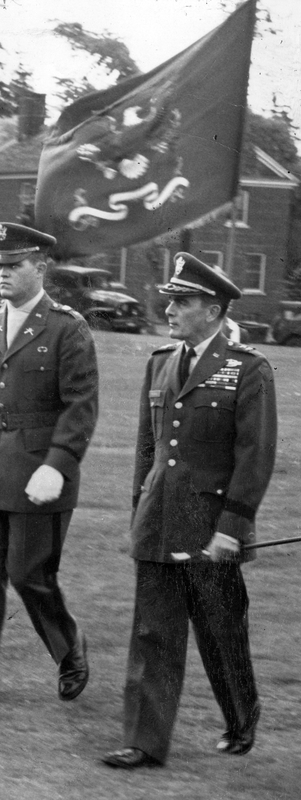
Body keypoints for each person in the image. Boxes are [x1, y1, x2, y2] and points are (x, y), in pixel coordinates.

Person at [102, 252, 277, 769]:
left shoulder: (248, 369)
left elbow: (255, 455)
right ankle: (144, 741)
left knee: (220, 632)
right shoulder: (160, 361)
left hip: (210, 526)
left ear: (215, 309)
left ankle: (241, 715)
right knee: (153, 632)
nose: (170, 308)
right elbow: (146, 448)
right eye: (171, 299)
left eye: (183, 301)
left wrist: (233, 527)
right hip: (159, 520)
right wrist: (139, 512)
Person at [0, 222, 99, 703]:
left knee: (30, 574)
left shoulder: (67, 327)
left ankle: (69, 647)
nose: (1, 274)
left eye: (13, 265)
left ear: (41, 267)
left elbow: (81, 405)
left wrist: (59, 463)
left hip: (39, 471)